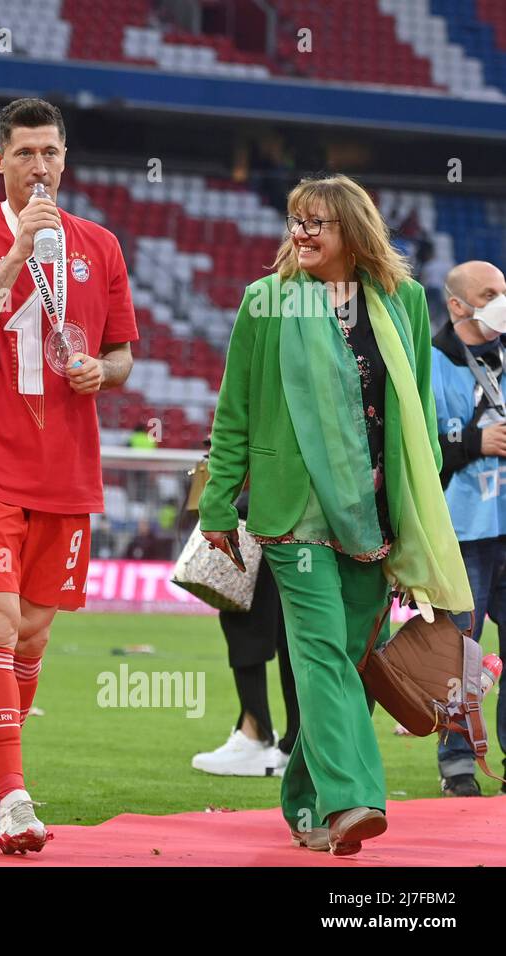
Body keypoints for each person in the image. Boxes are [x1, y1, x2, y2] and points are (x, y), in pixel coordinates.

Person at [199, 173, 472, 856]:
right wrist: (216, 502)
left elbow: (417, 417)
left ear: (354, 229)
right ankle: (353, 800)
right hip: (292, 516)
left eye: (317, 221)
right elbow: (234, 410)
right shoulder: (265, 302)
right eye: (296, 220)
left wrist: (414, 527)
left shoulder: (403, 301)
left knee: (342, 665)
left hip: (375, 519)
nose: (302, 232)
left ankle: (302, 800)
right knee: (320, 655)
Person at [0, 97, 137, 853]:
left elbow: (122, 353)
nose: (40, 166)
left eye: (50, 152)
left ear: (64, 157)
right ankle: (15, 799)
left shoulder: (100, 245)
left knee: (33, 638)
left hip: (67, 470)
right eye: (24, 153)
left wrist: (100, 372)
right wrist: (15, 256)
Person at [429, 258, 506, 795]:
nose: (501, 298)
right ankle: (456, 760)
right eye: (490, 292)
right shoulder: (429, 362)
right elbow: (414, 450)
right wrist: (472, 445)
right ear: (458, 304)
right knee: (461, 654)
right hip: (463, 533)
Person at [190, 492, 298, 779]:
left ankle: (256, 733)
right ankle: (291, 740)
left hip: (260, 504)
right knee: (293, 624)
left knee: (245, 616)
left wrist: (218, 504)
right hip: (294, 509)